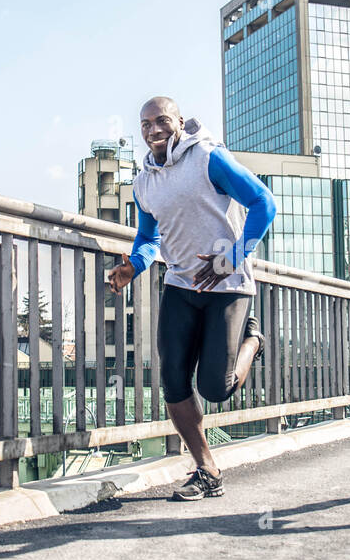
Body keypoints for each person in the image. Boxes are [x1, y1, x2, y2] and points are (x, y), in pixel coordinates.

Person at [105, 97, 276, 501]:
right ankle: (206, 470)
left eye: (162, 120)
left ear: (179, 122)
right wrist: (134, 265)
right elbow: (149, 237)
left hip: (228, 286)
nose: (153, 130)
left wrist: (232, 256)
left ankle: (253, 340)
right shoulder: (144, 181)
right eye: (145, 124)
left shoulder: (208, 158)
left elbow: (263, 202)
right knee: (173, 382)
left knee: (216, 388)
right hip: (181, 286)